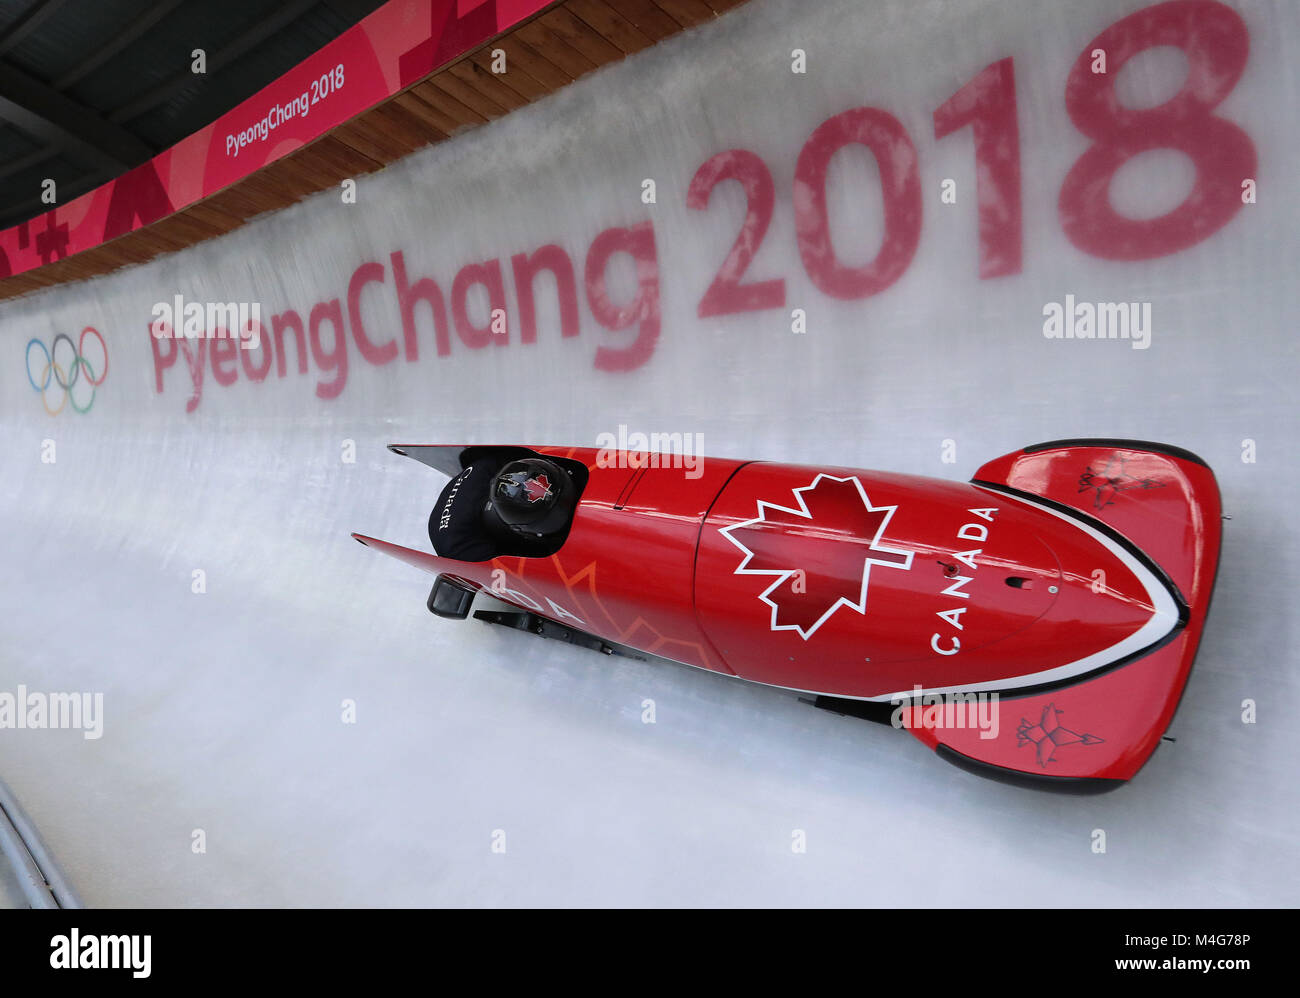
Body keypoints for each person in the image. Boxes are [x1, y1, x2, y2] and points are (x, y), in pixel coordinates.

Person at [429, 455, 578, 561]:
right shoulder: (459, 546)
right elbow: (506, 575)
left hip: (479, 476)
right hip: (457, 538)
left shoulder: (492, 463)